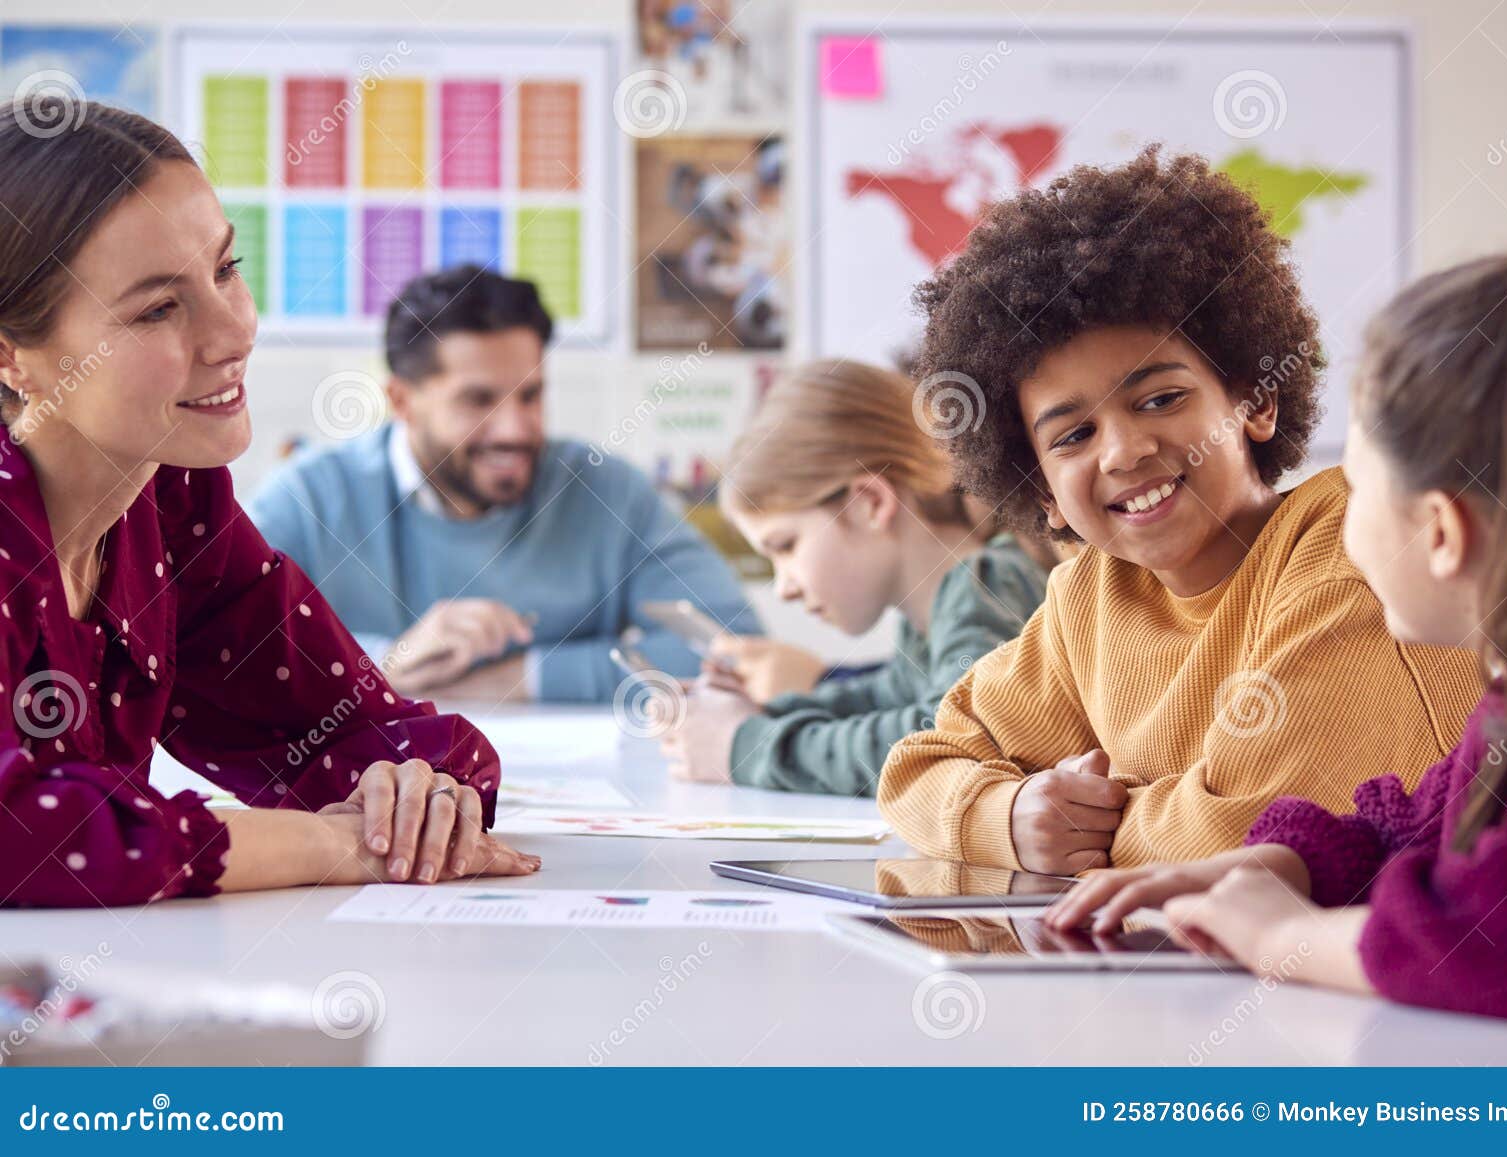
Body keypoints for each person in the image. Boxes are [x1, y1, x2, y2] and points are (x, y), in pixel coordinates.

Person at [1042, 223, 1507, 1029]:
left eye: (1358, 487)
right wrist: (1279, 865)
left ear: (1441, 532)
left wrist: (1287, 938)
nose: (1340, 511)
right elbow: (1409, 830)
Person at [877, 147, 1483, 873]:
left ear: (1255, 401)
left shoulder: (1350, 550)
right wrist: (1005, 815)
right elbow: (917, 770)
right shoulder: (1090, 600)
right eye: (1073, 436)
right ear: (1044, 492)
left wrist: (1089, 827)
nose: (1124, 451)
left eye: (1161, 399)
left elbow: (1246, 835)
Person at [0, 99, 537, 909]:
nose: (234, 332)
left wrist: (411, 797)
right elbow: (20, 836)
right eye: (157, 308)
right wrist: (329, 843)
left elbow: (371, 733)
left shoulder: (171, 495)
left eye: (226, 268)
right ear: (12, 355)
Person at [248, 264, 760, 704]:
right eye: (479, 400)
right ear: (402, 401)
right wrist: (382, 664)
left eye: (530, 396)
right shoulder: (310, 497)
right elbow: (225, 651)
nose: (515, 430)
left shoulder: (608, 492)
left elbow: (735, 646)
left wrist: (524, 677)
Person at [661, 360, 1048, 794]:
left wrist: (746, 746)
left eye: (785, 546)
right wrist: (758, 714)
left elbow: (955, 742)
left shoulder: (987, 584)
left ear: (869, 503)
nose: (783, 588)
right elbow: (882, 699)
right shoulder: (930, 613)